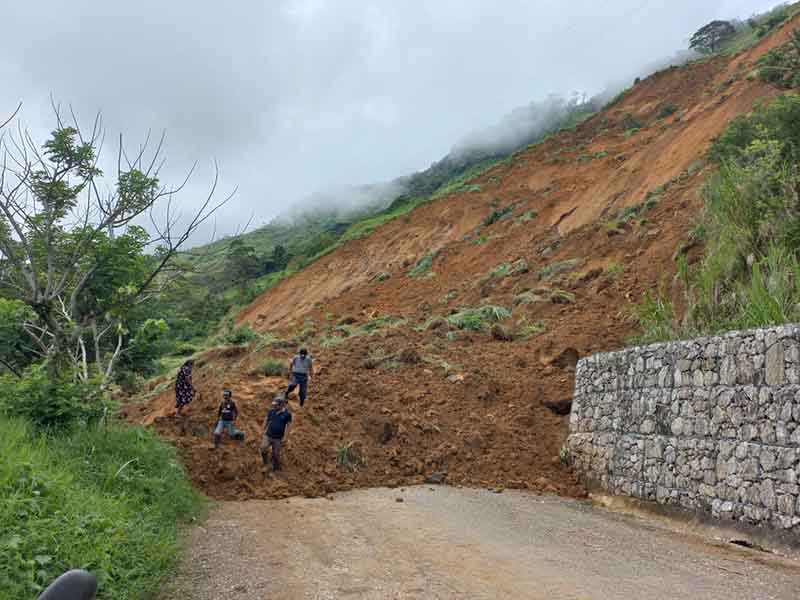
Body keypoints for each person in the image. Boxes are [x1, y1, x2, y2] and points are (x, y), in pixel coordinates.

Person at [260, 395, 292, 471]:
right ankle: (266, 463)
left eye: (276, 405)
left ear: (281, 405)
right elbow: (266, 420)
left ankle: (276, 467)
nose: (274, 406)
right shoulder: (271, 411)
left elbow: (289, 426)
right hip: (268, 435)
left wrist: (286, 437)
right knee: (263, 448)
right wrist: (262, 430)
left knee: (276, 454)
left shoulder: (287, 414)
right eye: (273, 404)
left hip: (278, 438)